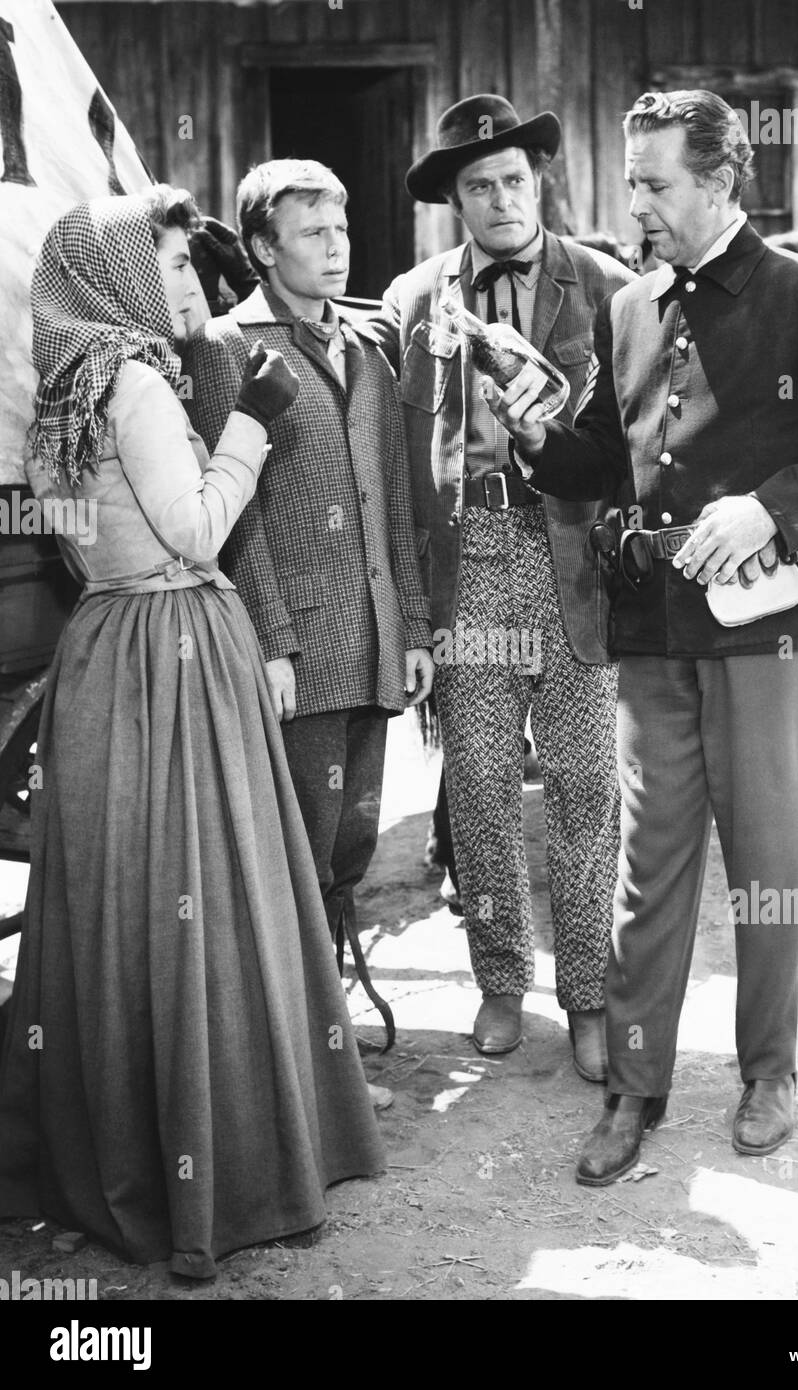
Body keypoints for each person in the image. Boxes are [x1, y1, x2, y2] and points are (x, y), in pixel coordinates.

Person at [487, 90, 798, 1181]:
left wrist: (769, 508)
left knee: (765, 862)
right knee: (650, 868)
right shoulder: (628, 307)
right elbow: (596, 456)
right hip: (652, 629)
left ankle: (768, 1069)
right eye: (627, 182)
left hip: (763, 630)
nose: (634, 205)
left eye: (654, 184)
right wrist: (530, 434)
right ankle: (635, 1084)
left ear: (719, 183)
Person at [0, 187, 384, 1277]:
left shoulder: (60, 389)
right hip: (179, 641)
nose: (192, 287)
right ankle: (219, 1166)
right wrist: (253, 424)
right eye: (170, 267)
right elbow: (199, 524)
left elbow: (81, 546)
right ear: (118, 278)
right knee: (212, 898)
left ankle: (105, 1150)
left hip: (103, 649)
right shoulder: (135, 384)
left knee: (117, 909)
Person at [366, 95, 637, 1080]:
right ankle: (496, 982)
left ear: (538, 182)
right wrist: (410, 602)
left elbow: (635, 448)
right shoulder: (410, 299)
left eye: (512, 179)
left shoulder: (607, 286)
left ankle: (589, 994)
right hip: (470, 554)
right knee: (475, 784)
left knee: (582, 784)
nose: (498, 198)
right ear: (454, 200)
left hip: (570, 557)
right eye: (476, 185)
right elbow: (394, 458)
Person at [184, 162, 434, 1079]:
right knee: (295, 841)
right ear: (259, 247)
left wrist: (411, 626)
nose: (337, 247)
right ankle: (286, 1051)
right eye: (312, 233)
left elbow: (393, 505)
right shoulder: (225, 348)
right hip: (300, 646)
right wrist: (273, 641)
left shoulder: (369, 348)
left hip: (371, 639)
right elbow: (231, 512)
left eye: (342, 229)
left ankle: (325, 1023)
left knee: (353, 843)